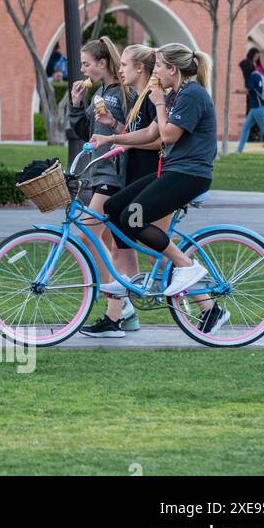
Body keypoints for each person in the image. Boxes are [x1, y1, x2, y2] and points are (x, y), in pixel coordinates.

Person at [100, 43, 227, 335]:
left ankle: (185, 265)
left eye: (158, 66)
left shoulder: (192, 94)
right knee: (114, 208)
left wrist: (158, 102)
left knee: (134, 217)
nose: (155, 71)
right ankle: (129, 280)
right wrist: (110, 139)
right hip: (174, 170)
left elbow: (167, 136)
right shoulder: (175, 95)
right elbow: (151, 133)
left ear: (172, 69)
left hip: (191, 174)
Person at [80, 44, 163, 337]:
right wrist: (112, 128)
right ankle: (118, 316)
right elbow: (133, 135)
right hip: (133, 180)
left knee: (158, 250)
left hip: (152, 179)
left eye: (125, 64)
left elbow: (160, 139)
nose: (121, 68)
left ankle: (207, 306)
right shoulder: (139, 99)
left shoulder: (153, 98)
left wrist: (119, 140)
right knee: (121, 247)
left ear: (141, 68)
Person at [65, 37, 141, 336]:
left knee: (86, 232)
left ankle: (118, 300)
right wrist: (75, 105)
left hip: (114, 175)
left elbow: (136, 135)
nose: (82, 69)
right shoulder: (100, 92)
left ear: (102, 63)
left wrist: (111, 126)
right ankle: (125, 312)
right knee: (107, 244)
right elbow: (85, 132)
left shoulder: (125, 94)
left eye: (86, 63)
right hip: (98, 172)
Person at [237, 47, 264, 154]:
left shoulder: (252, 77)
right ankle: (239, 151)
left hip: (258, 107)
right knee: (246, 128)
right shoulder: (257, 75)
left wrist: (238, 92)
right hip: (258, 107)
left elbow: (250, 91)